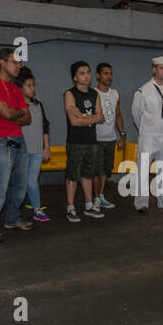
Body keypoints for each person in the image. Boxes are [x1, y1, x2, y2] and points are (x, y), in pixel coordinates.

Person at [0, 47, 35, 242]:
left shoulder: (15, 89)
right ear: (2, 62)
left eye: (20, 63)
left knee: (20, 184)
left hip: (18, 138)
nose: (19, 66)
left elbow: (27, 118)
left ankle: (12, 219)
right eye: (15, 62)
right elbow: (7, 114)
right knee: (0, 186)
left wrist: (15, 113)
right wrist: (15, 113)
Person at [131, 55, 163, 212]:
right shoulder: (144, 90)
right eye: (162, 68)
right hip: (148, 136)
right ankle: (141, 203)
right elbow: (136, 114)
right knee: (143, 169)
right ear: (154, 69)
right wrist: (144, 130)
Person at [63, 60, 105, 223]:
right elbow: (73, 121)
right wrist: (90, 118)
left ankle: (88, 205)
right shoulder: (69, 94)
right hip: (76, 141)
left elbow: (102, 117)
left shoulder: (95, 94)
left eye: (88, 72)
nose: (86, 76)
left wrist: (82, 115)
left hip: (91, 141)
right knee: (73, 175)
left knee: (88, 173)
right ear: (75, 77)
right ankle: (70, 208)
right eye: (82, 73)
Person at [16, 67, 51, 222]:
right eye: (28, 85)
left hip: (37, 149)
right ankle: (15, 209)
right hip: (21, 149)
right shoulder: (16, 106)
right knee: (19, 181)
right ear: (20, 87)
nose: (32, 89)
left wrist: (46, 147)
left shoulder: (38, 104)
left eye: (33, 85)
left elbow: (45, 126)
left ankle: (37, 209)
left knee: (32, 180)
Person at [92, 62, 123, 210]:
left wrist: (122, 134)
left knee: (105, 170)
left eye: (110, 73)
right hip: (96, 139)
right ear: (98, 75)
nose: (109, 76)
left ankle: (101, 196)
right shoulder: (92, 93)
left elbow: (117, 114)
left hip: (110, 138)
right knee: (96, 171)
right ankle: (96, 198)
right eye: (105, 73)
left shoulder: (115, 93)